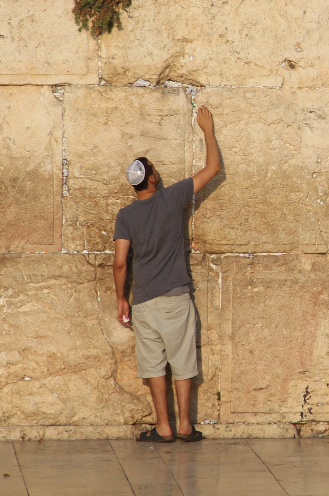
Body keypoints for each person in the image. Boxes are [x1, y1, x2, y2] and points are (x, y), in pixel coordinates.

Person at [113, 106, 221, 443]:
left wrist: (121, 298)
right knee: (183, 361)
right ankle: (186, 426)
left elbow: (120, 262)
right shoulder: (172, 198)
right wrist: (207, 130)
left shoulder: (125, 215)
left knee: (153, 366)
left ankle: (163, 427)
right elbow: (213, 168)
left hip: (144, 301)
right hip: (176, 297)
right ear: (154, 178)